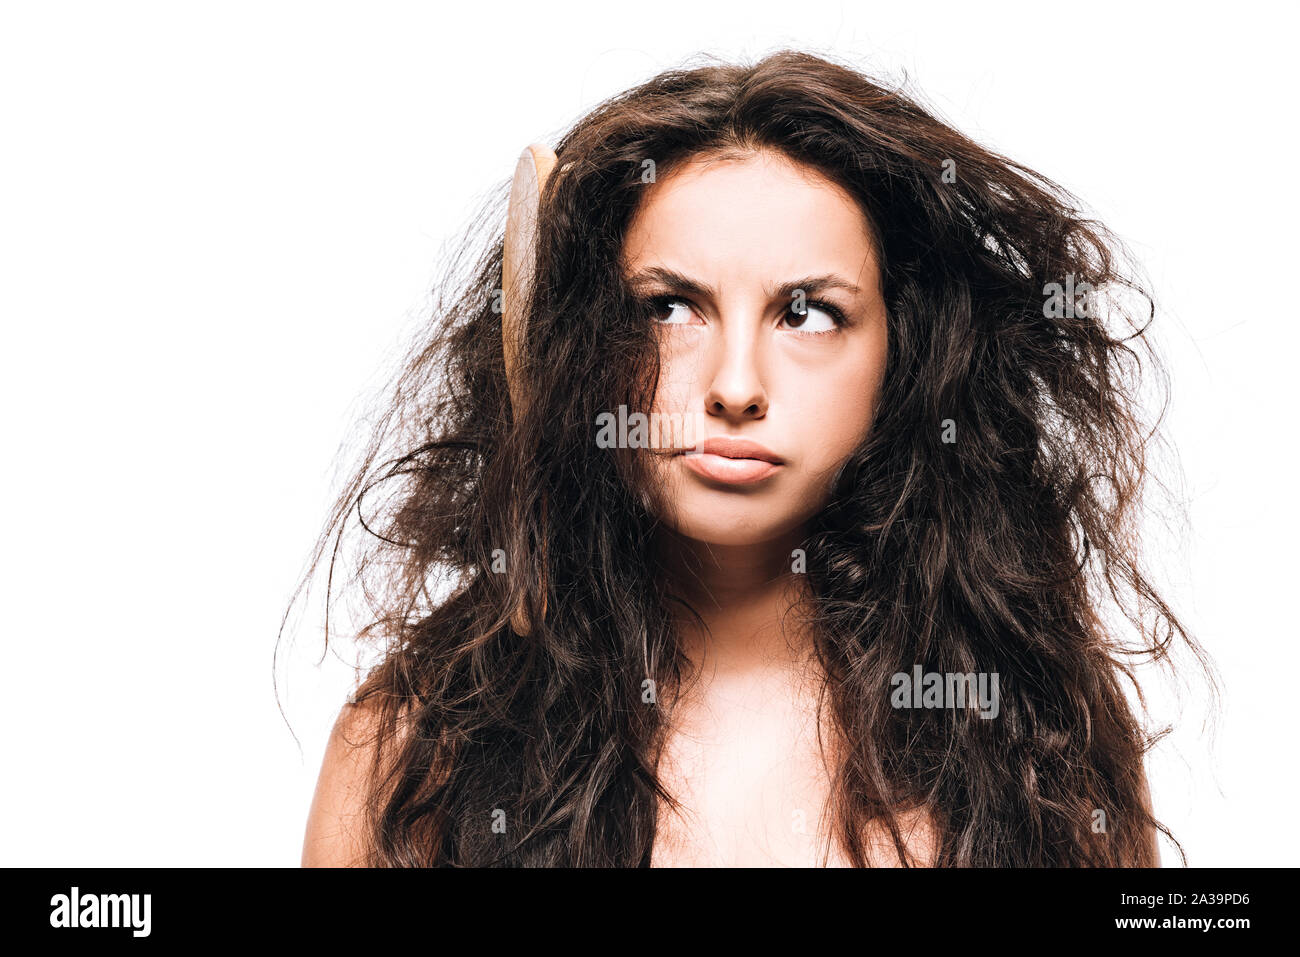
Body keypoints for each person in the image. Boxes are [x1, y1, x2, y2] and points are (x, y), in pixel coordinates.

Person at [295, 50, 1211, 867]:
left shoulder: (1035, 738)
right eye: (669, 307)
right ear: (576, 346)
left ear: (903, 355)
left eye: (808, 312)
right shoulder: (413, 747)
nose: (736, 385)